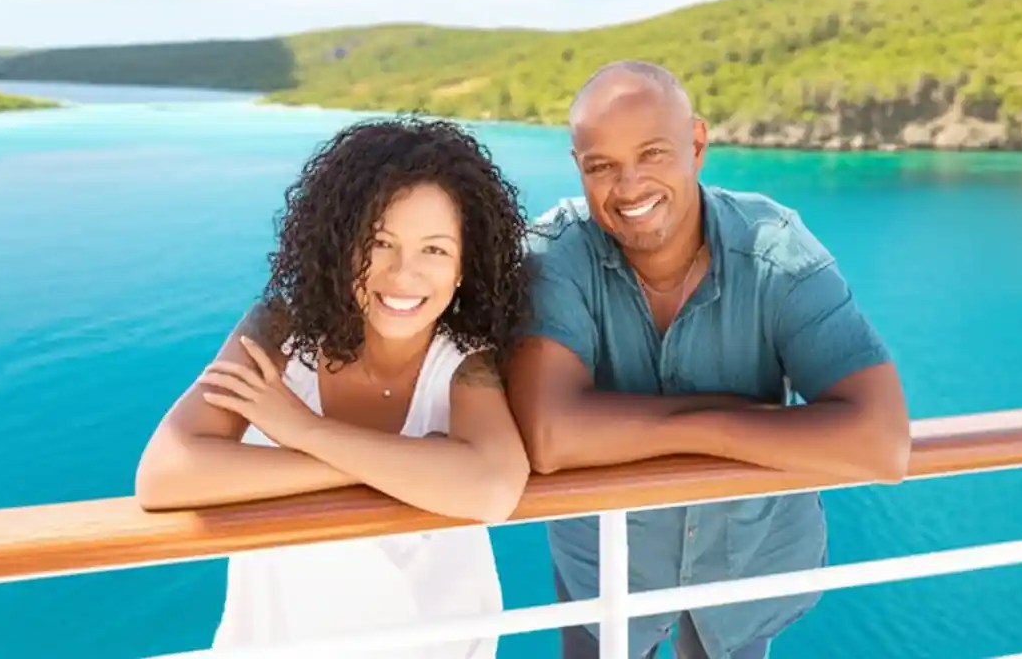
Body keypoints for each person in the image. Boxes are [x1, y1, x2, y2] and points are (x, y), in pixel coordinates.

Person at [505, 61, 911, 659]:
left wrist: (700, 426)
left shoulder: (776, 253)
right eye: (602, 166)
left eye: (652, 155)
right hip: (608, 560)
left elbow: (882, 443)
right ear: (579, 168)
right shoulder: (557, 255)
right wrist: (727, 413)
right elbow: (550, 435)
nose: (629, 186)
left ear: (696, 144)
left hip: (743, 554)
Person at [134, 116, 533, 658]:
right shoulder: (279, 333)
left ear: (465, 265)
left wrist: (303, 430)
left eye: (434, 250)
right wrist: (407, 465)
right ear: (342, 245)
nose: (402, 273)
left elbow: (492, 488)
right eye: (380, 242)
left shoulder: (462, 363)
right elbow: (164, 474)